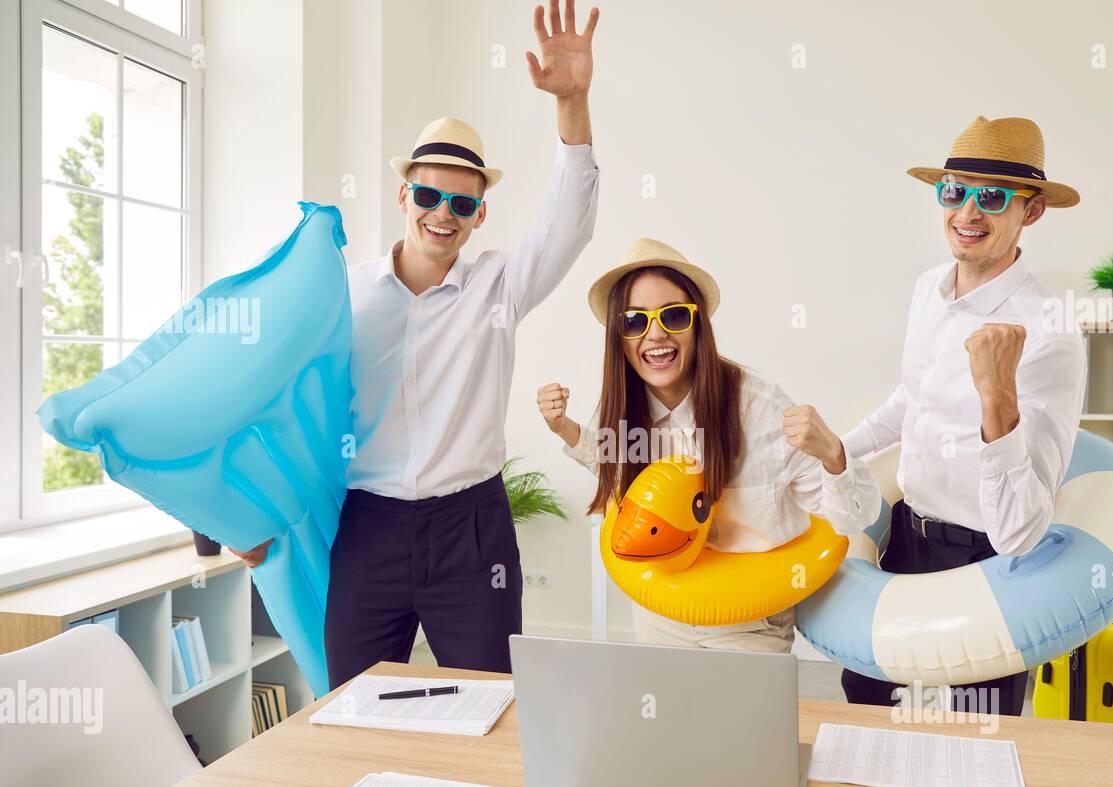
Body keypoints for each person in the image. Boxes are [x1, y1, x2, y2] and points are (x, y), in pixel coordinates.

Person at [232, 1, 601, 690]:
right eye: (429, 195)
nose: (444, 214)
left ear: (479, 214)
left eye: (462, 204)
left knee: (490, 705)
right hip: (369, 526)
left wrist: (573, 104)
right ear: (403, 195)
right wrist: (242, 515)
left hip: (473, 529)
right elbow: (272, 396)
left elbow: (570, 220)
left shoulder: (499, 286)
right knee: (352, 701)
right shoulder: (342, 294)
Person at [837, 115, 1086, 715]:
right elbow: (912, 399)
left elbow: (1021, 532)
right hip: (904, 541)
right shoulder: (929, 288)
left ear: (1031, 212)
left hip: (985, 566)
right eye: (954, 192)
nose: (967, 213)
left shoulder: (1050, 331)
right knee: (868, 707)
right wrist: (837, 450)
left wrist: (996, 395)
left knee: (972, 745)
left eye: (992, 197)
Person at [538, 238, 880, 651]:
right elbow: (615, 465)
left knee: (740, 718)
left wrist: (834, 456)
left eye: (674, 316)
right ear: (619, 337)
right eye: (634, 322)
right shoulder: (628, 407)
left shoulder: (758, 407)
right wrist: (565, 430)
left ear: (698, 325)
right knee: (657, 717)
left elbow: (848, 519)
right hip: (662, 611)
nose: (656, 334)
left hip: (747, 622)